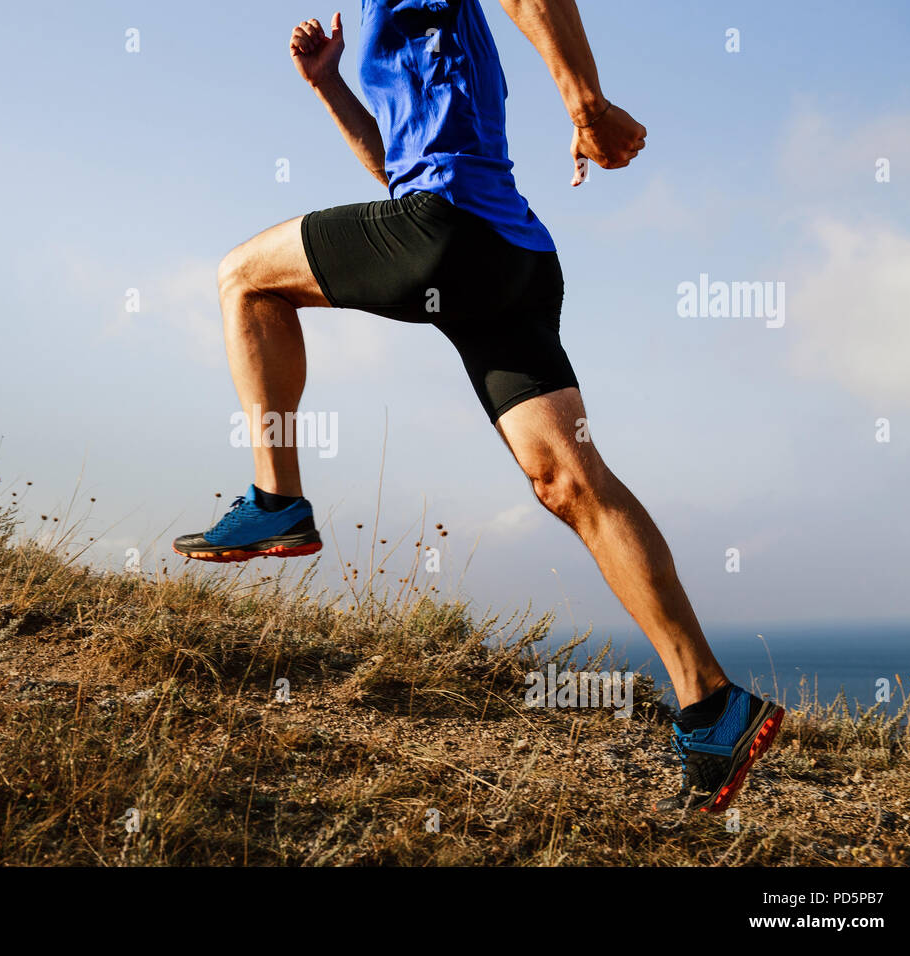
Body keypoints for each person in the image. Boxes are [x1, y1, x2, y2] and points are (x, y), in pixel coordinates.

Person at [172, 0, 783, 813]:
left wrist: (586, 104)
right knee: (571, 484)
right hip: (507, 255)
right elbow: (401, 171)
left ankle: (276, 498)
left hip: (450, 231)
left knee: (244, 278)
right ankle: (711, 702)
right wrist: (330, 86)